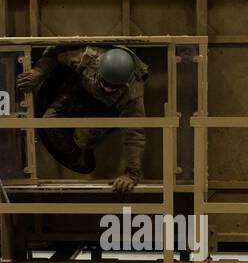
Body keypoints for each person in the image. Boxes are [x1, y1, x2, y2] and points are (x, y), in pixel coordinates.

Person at [15, 44, 150, 194]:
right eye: (105, 83)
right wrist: (38, 72)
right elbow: (55, 54)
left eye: (113, 87)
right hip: (82, 90)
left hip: (109, 107)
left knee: (83, 137)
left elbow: (134, 134)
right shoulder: (86, 57)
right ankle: (76, 155)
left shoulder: (133, 94)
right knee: (50, 121)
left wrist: (131, 174)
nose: (108, 89)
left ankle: (84, 151)